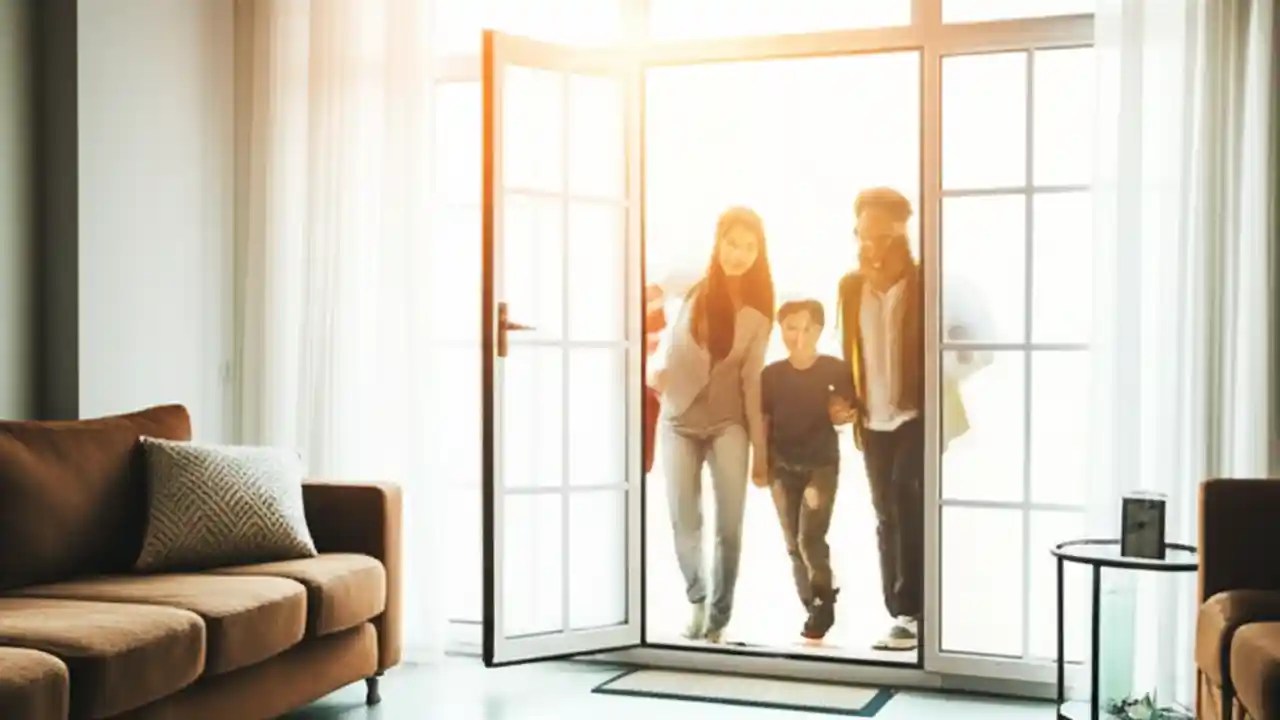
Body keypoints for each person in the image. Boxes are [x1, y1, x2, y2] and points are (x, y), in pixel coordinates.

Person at [648, 206, 774, 643]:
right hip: (678, 417)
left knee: (729, 526)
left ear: (760, 253)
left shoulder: (760, 313)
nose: (738, 254)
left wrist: (761, 451)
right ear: (717, 243)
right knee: (684, 520)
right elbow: (642, 308)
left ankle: (719, 620)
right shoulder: (690, 284)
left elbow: (752, 382)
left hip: (727, 422)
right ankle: (697, 601)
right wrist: (650, 369)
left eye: (749, 246)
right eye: (732, 243)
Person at [832, 187, 925, 652]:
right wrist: (844, 400)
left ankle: (913, 609)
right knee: (885, 510)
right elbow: (851, 353)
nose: (867, 243)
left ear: (900, 233)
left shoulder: (923, 283)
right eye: (861, 233)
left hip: (916, 415)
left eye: (877, 234)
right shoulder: (851, 288)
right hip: (873, 420)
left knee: (908, 498)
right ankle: (900, 611)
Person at [759, 299, 855, 640]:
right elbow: (763, 421)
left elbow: (847, 410)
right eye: (790, 328)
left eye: (807, 328)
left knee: (809, 537)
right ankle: (811, 603)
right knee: (791, 542)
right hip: (781, 467)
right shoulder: (771, 375)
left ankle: (823, 603)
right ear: (780, 329)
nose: (799, 336)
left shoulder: (834, 369)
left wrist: (842, 412)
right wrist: (760, 464)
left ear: (819, 329)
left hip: (821, 464)